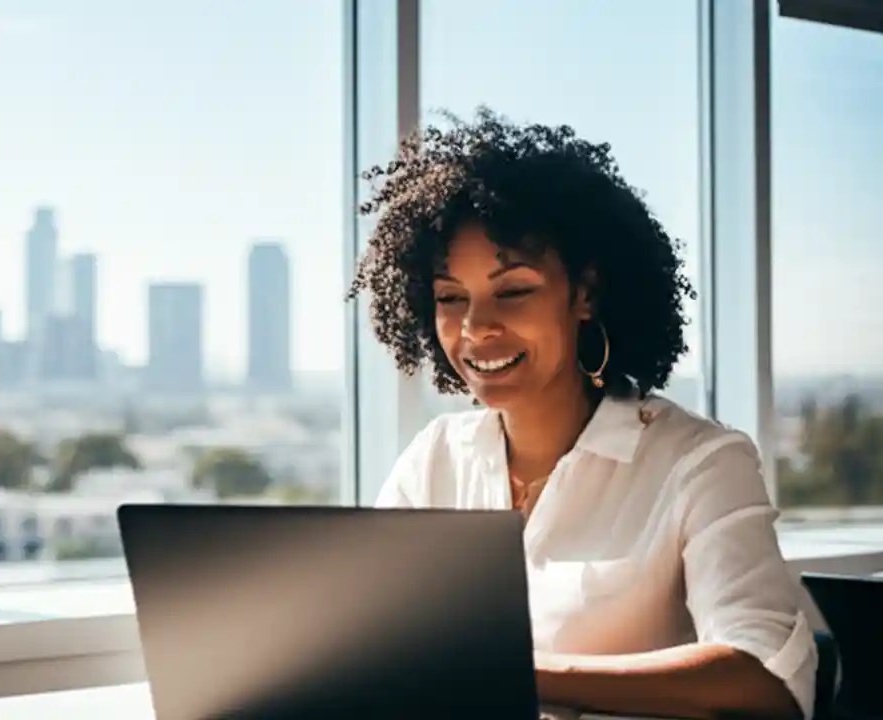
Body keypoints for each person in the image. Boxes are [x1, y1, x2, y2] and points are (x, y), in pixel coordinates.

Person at [349, 109, 815, 719]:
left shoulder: (700, 464)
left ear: (585, 294)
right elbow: (363, 643)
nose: (474, 327)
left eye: (513, 291)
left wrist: (512, 674)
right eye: (450, 298)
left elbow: (764, 679)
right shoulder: (436, 457)